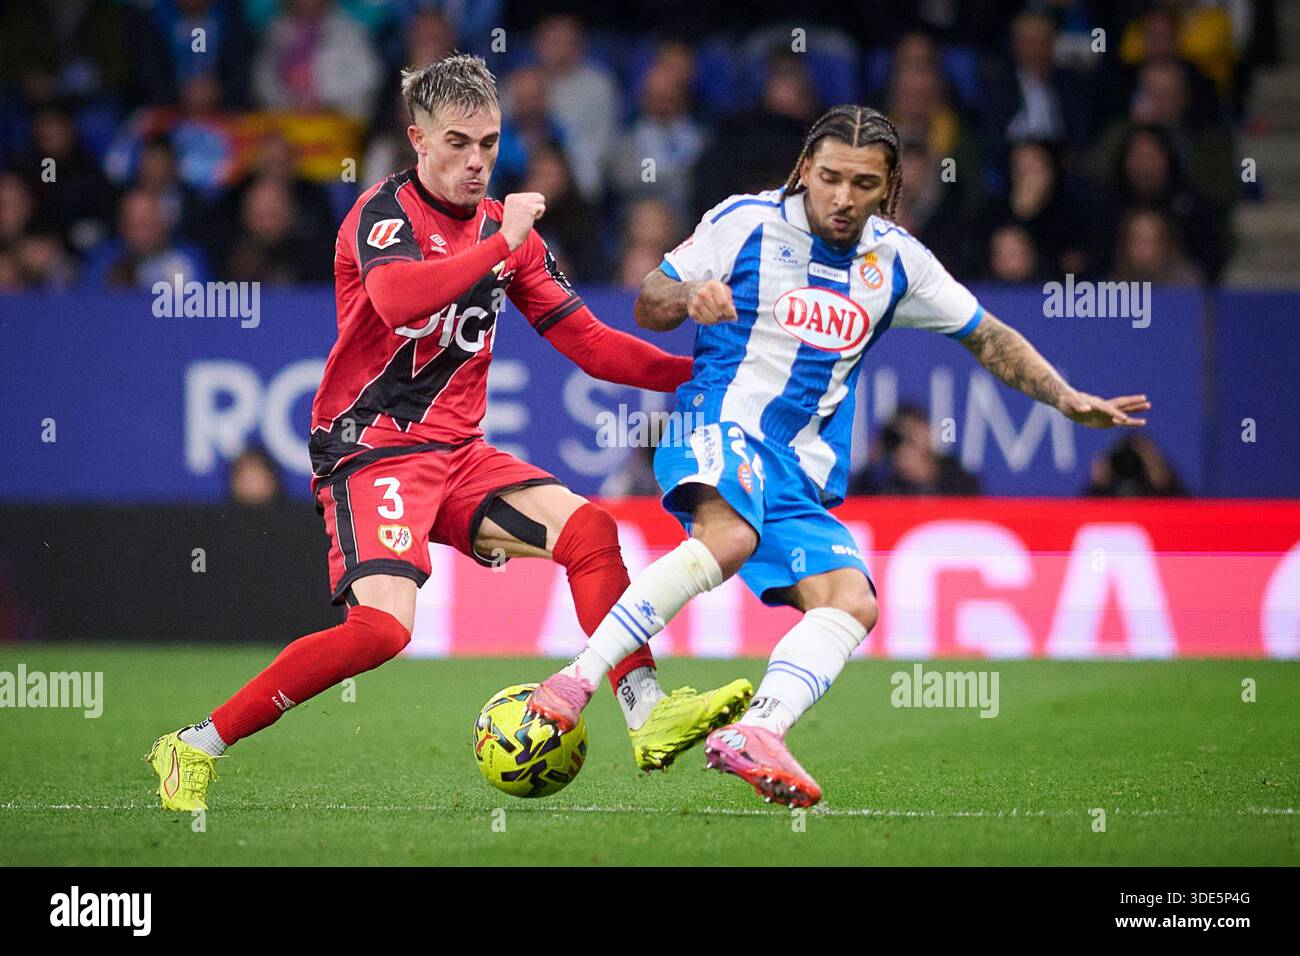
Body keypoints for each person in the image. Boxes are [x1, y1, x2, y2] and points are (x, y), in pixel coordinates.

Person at [147, 54, 751, 812]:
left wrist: (694, 376)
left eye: (490, 145)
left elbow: (590, 343)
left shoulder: (511, 233)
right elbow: (399, 301)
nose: (476, 162)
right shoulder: (384, 215)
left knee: (590, 531)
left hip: (460, 455)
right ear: (418, 141)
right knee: (380, 633)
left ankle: (646, 711)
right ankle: (193, 744)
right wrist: (499, 247)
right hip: (372, 450)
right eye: (459, 143)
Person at [527, 105, 1151, 808]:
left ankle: (758, 732)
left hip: (795, 468)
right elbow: (649, 299)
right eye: (829, 178)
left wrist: (1065, 396)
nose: (842, 197)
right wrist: (688, 296)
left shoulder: (898, 262)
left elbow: (987, 335)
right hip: (718, 419)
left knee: (852, 601)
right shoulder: (744, 222)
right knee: (728, 535)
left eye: (862, 183)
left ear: (888, 189)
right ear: (804, 171)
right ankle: (572, 683)